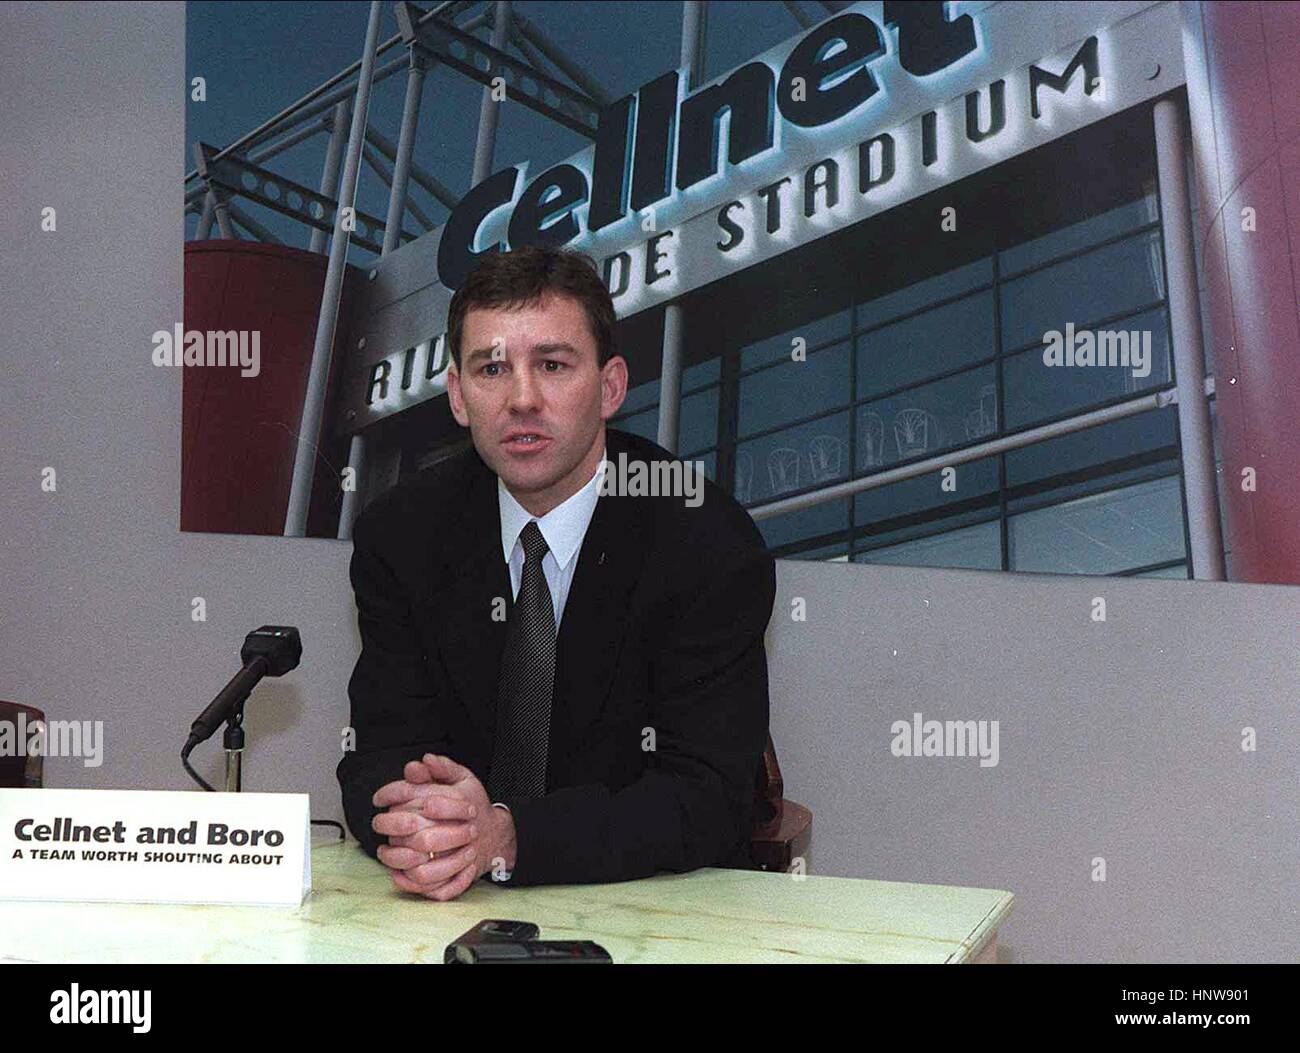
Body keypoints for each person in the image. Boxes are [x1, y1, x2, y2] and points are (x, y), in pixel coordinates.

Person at [337, 245, 776, 900]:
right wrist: (424, 824)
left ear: (610, 386)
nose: (521, 398)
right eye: (491, 368)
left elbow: (707, 795)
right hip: (451, 907)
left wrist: (511, 835)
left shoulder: (705, 540)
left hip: (653, 906)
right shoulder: (399, 536)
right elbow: (375, 754)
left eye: (552, 364)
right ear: (457, 394)